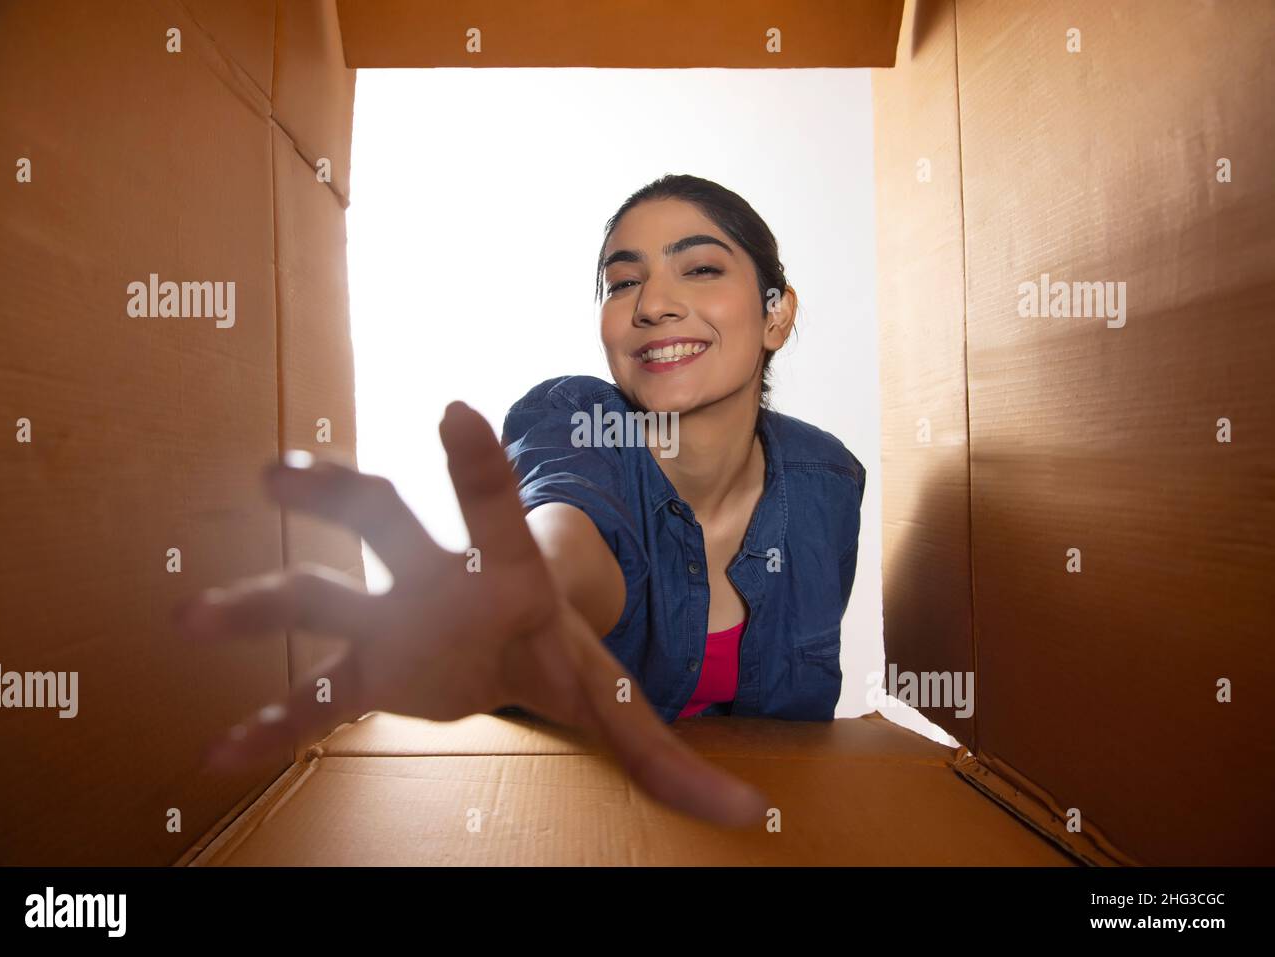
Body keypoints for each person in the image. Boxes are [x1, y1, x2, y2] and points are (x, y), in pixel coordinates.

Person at [175, 174, 864, 829]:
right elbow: (564, 543)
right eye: (624, 281)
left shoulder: (827, 483)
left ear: (777, 315)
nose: (651, 303)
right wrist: (509, 604)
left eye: (701, 268)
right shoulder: (574, 420)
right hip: (559, 825)